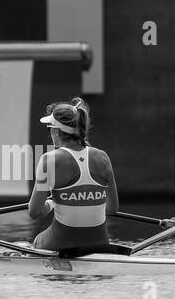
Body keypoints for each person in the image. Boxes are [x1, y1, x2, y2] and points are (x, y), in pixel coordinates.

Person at [27, 98, 121, 252]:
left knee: (36, 241)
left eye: (49, 128)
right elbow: (112, 209)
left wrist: (52, 203)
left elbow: (34, 212)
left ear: (56, 131)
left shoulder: (48, 160)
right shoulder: (103, 157)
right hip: (100, 243)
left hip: (61, 244)